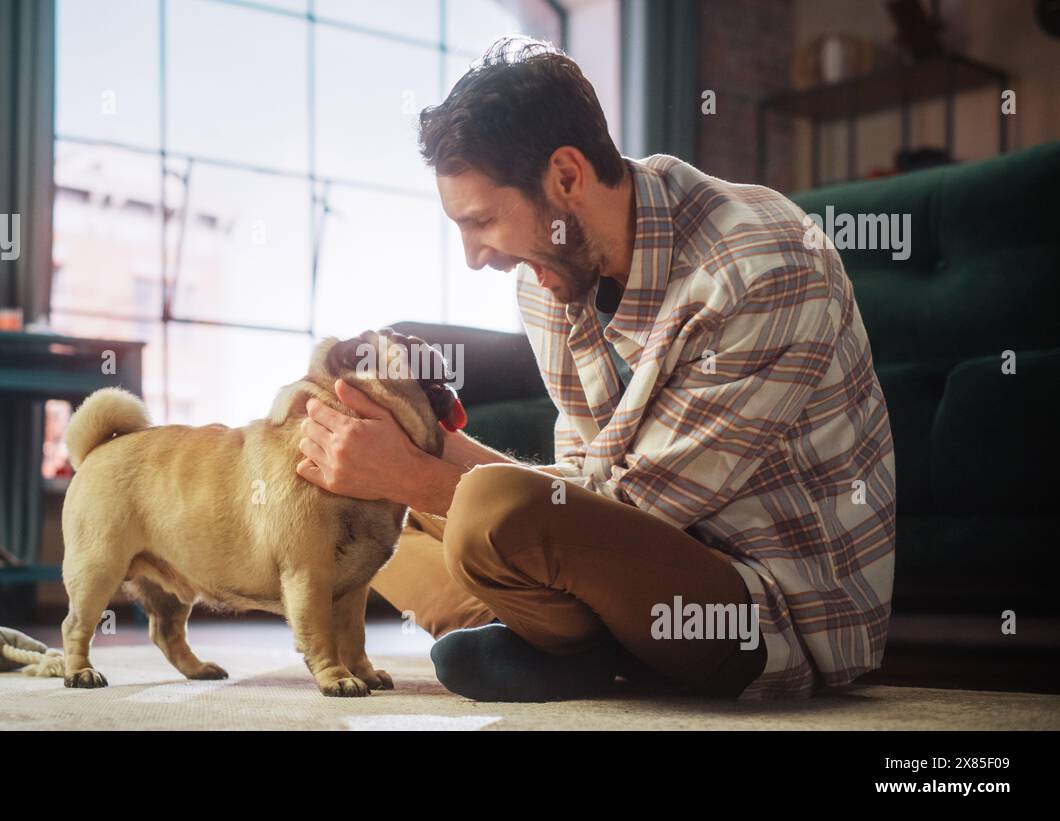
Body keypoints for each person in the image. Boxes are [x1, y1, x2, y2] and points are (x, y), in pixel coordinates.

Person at [295, 38, 896, 702]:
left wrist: (419, 472)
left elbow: (637, 512)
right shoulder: (549, 281)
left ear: (567, 176)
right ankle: (566, 648)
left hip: (759, 608)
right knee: (365, 514)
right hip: (615, 556)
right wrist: (413, 450)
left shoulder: (760, 268)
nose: (473, 257)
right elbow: (579, 491)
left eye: (483, 221)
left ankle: (553, 641)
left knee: (479, 511)